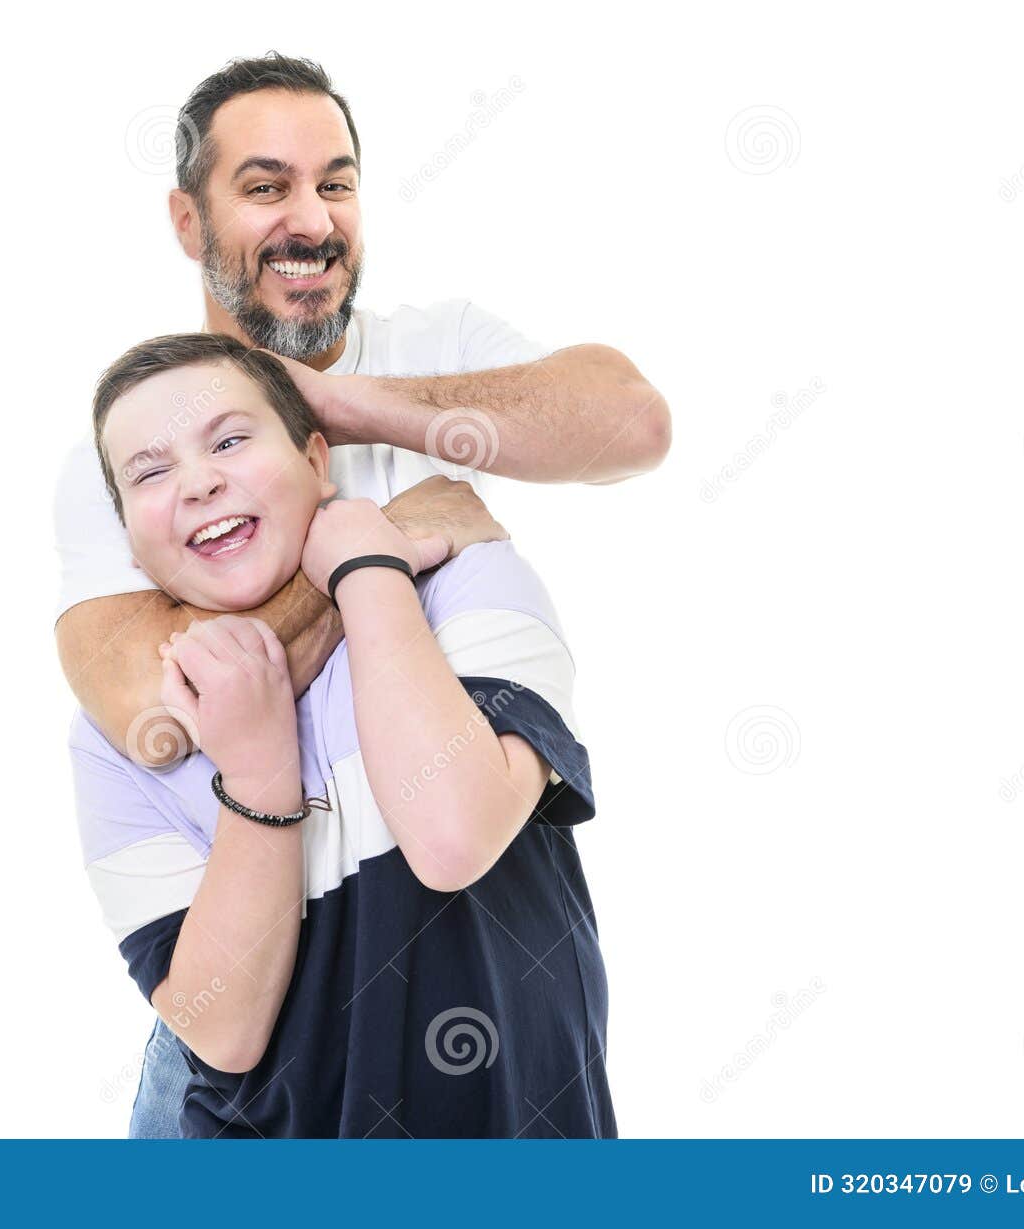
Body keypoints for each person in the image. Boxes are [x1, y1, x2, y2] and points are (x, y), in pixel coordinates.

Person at [55, 53, 667, 1137]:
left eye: (334, 183)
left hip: (480, 998)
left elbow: (629, 425)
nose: (310, 218)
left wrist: (338, 401)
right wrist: (370, 554)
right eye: (264, 186)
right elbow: (158, 717)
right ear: (189, 224)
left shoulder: (443, 360)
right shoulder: (119, 453)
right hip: (250, 1062)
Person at [72, 333, 613, 1138]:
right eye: (149, 472)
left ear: (317, 459)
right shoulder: (115, 737)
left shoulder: (462, 578)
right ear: (131, 545)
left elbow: (454, 837)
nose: (199, 481)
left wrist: (368, 574)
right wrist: (257, 772)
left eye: (228, 440)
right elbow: (218, 1031)